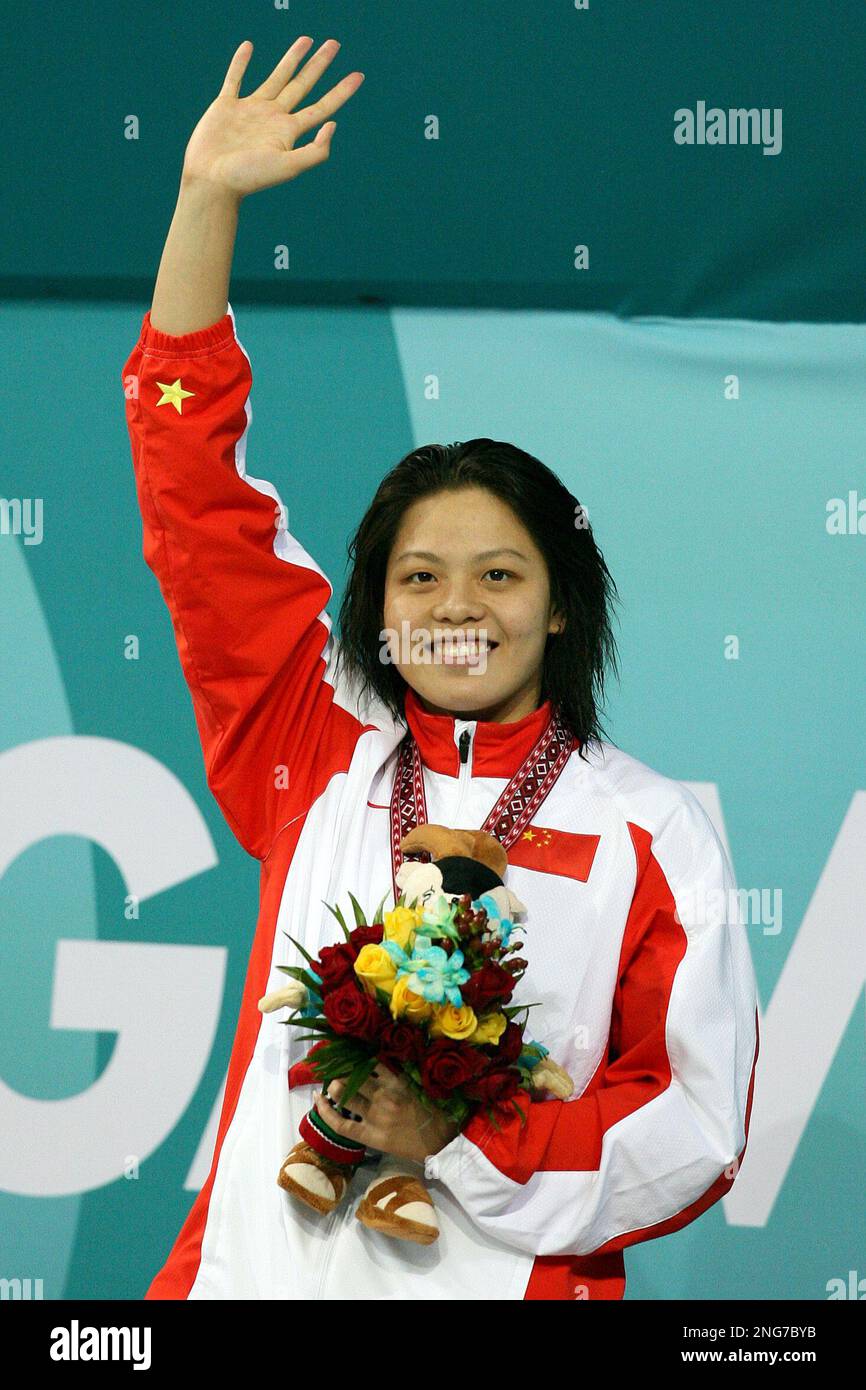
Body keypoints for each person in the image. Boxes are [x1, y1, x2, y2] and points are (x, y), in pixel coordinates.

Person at [121, 35, 759, 1301]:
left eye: (499, 574)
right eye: (417, 576)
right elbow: (195, 501)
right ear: (375, 608)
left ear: (562, 608)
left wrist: (462, 1138)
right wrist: (204, 203)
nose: (455, 606)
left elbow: (693, 1122)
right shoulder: (314, 751)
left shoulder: (650, 829)